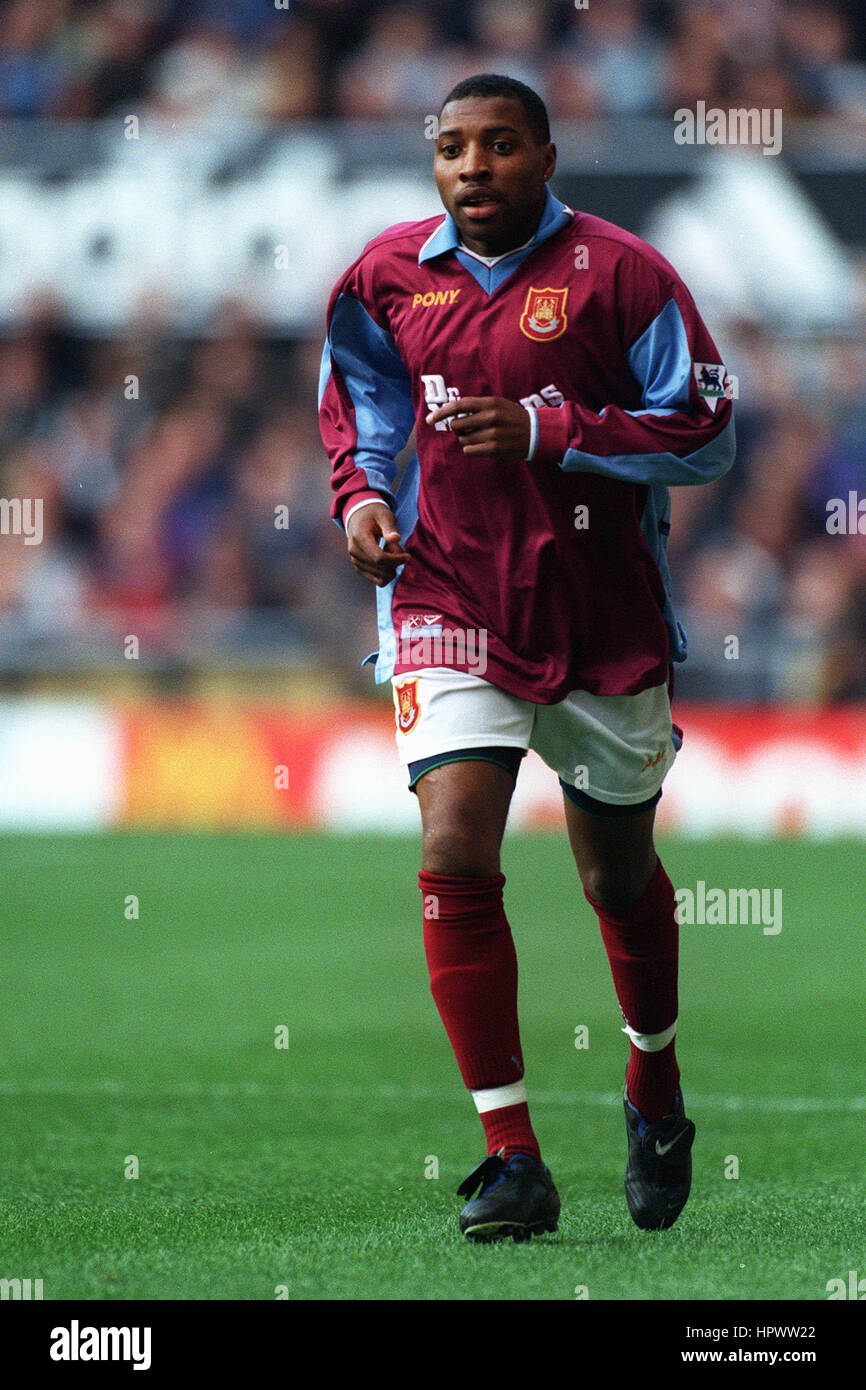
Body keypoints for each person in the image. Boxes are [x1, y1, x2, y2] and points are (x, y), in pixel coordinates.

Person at [318, 73, 735, 1243]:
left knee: (612, 876)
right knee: (453, 842)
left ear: (545, 158)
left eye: (500, 146)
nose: (473, 167)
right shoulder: (385, 277)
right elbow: (361, 408)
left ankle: (653, 1087)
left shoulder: (624, 276)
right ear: (432, 161)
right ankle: (510, 1157)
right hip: (448, 598)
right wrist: (360, 501)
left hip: (603, 619)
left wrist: (554, 430)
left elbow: (704, 432)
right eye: (452, 147)